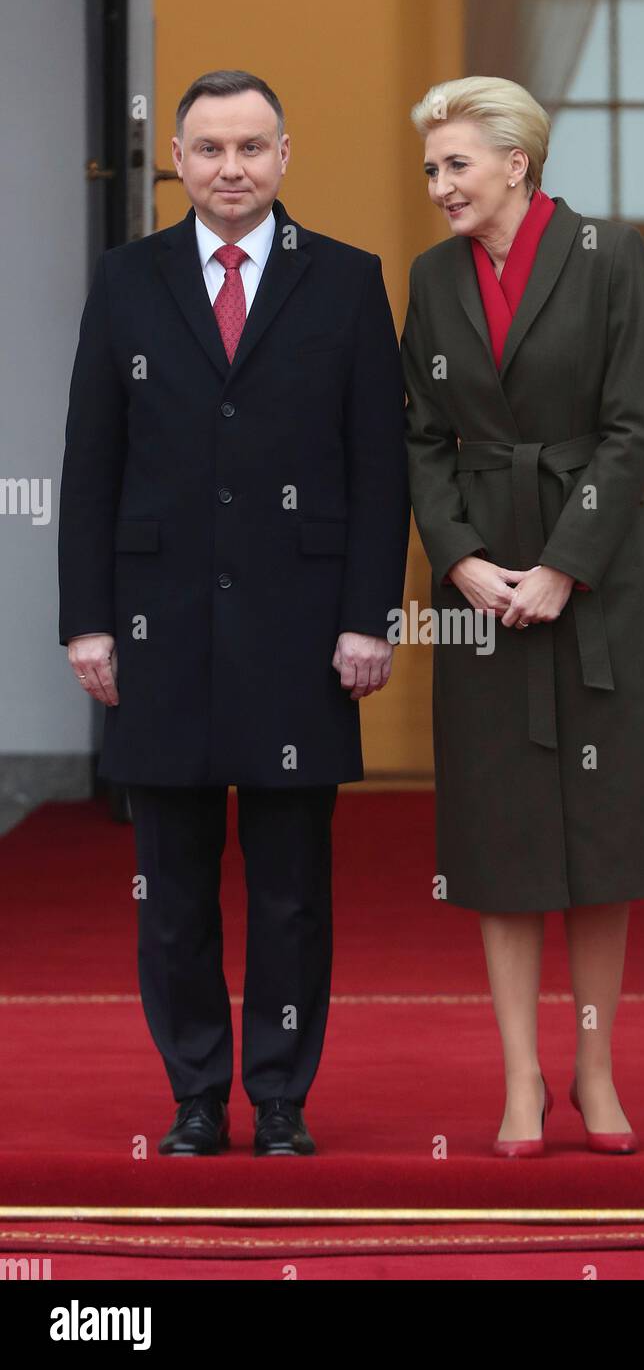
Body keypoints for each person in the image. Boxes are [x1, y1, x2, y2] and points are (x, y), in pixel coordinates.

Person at [58, 69, 409, 1157]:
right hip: (155, 628)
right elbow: (90, 463)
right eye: (207, 148)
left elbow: (377, 467)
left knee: (294, 890)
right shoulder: (125, 280)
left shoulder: (347, 282)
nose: (230, 168)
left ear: (285, 154)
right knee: (170, 892)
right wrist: (87, 621)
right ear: (177, 158)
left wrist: (367, 616)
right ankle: (197, 1095)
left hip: (303, 631)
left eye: (251, 147)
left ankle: (285, 1099)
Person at [402, 77, 644, 1158]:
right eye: (432, 167)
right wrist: (461, 560)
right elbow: (419, 438)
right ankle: (519, 1081)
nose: (439, 184)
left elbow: (633, 429)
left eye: (455, 164)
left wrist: (562, 569)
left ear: (516, 164)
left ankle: (593, 1069)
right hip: (482, 585)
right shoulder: (430, 279)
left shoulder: (610, 257)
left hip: (602, 580)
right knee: (500, 840)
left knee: (598, 837)